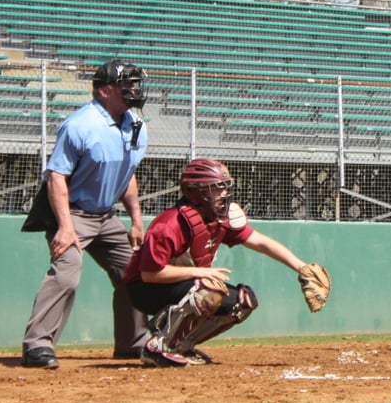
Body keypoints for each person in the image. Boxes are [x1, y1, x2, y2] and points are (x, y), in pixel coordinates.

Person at [124, 157, 330, 367]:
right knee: (209, 293)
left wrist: (301, 267)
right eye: (216, 188)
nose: (224, 193)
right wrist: (199, 274)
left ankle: (181, 345)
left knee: (243, 301)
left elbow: (260, 242)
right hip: (145, 289)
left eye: (224, 187)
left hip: (181, 284)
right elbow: (150, 274)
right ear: (195, 192)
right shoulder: (170, 224)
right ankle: (158, 347)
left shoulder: (219, 220)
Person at [20, 59, 150, 369]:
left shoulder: (134, 124)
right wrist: (65, 227)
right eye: (126, 86)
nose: (134, 91)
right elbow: (56, 177)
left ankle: (133, 342)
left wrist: (136, 219)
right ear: (105, 91)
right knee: (67, 273)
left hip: (107, 216)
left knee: (135, 273)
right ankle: (37, 345)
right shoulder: (80, 124)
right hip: (73, 213)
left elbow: (127, 172)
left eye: (135, 85)